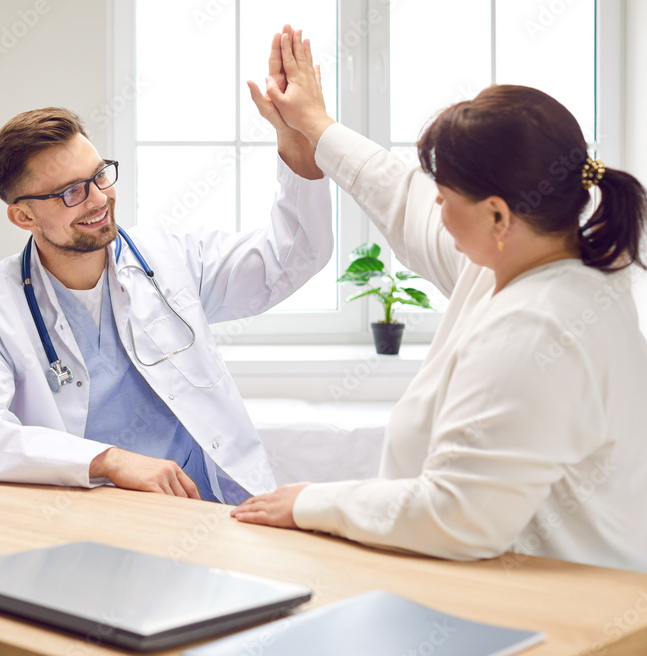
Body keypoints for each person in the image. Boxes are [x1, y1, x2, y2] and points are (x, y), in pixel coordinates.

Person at [232, 26, 647, 572]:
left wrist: (310, 501)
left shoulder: (537, 328)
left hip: (562, 614)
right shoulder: (541, 253)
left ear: (498, 215)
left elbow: (460, 515)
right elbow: (403, 197)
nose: (438, 209)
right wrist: (317, 126)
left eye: (447, 197)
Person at [0, 61, 333, 503]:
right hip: (106, 517)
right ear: (23, 216)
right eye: (71, 193)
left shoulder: (171, 258)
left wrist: (298, 142)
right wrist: (108, 459)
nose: (100, 199)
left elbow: (290, 259)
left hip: (223, 504)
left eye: (99, 175)